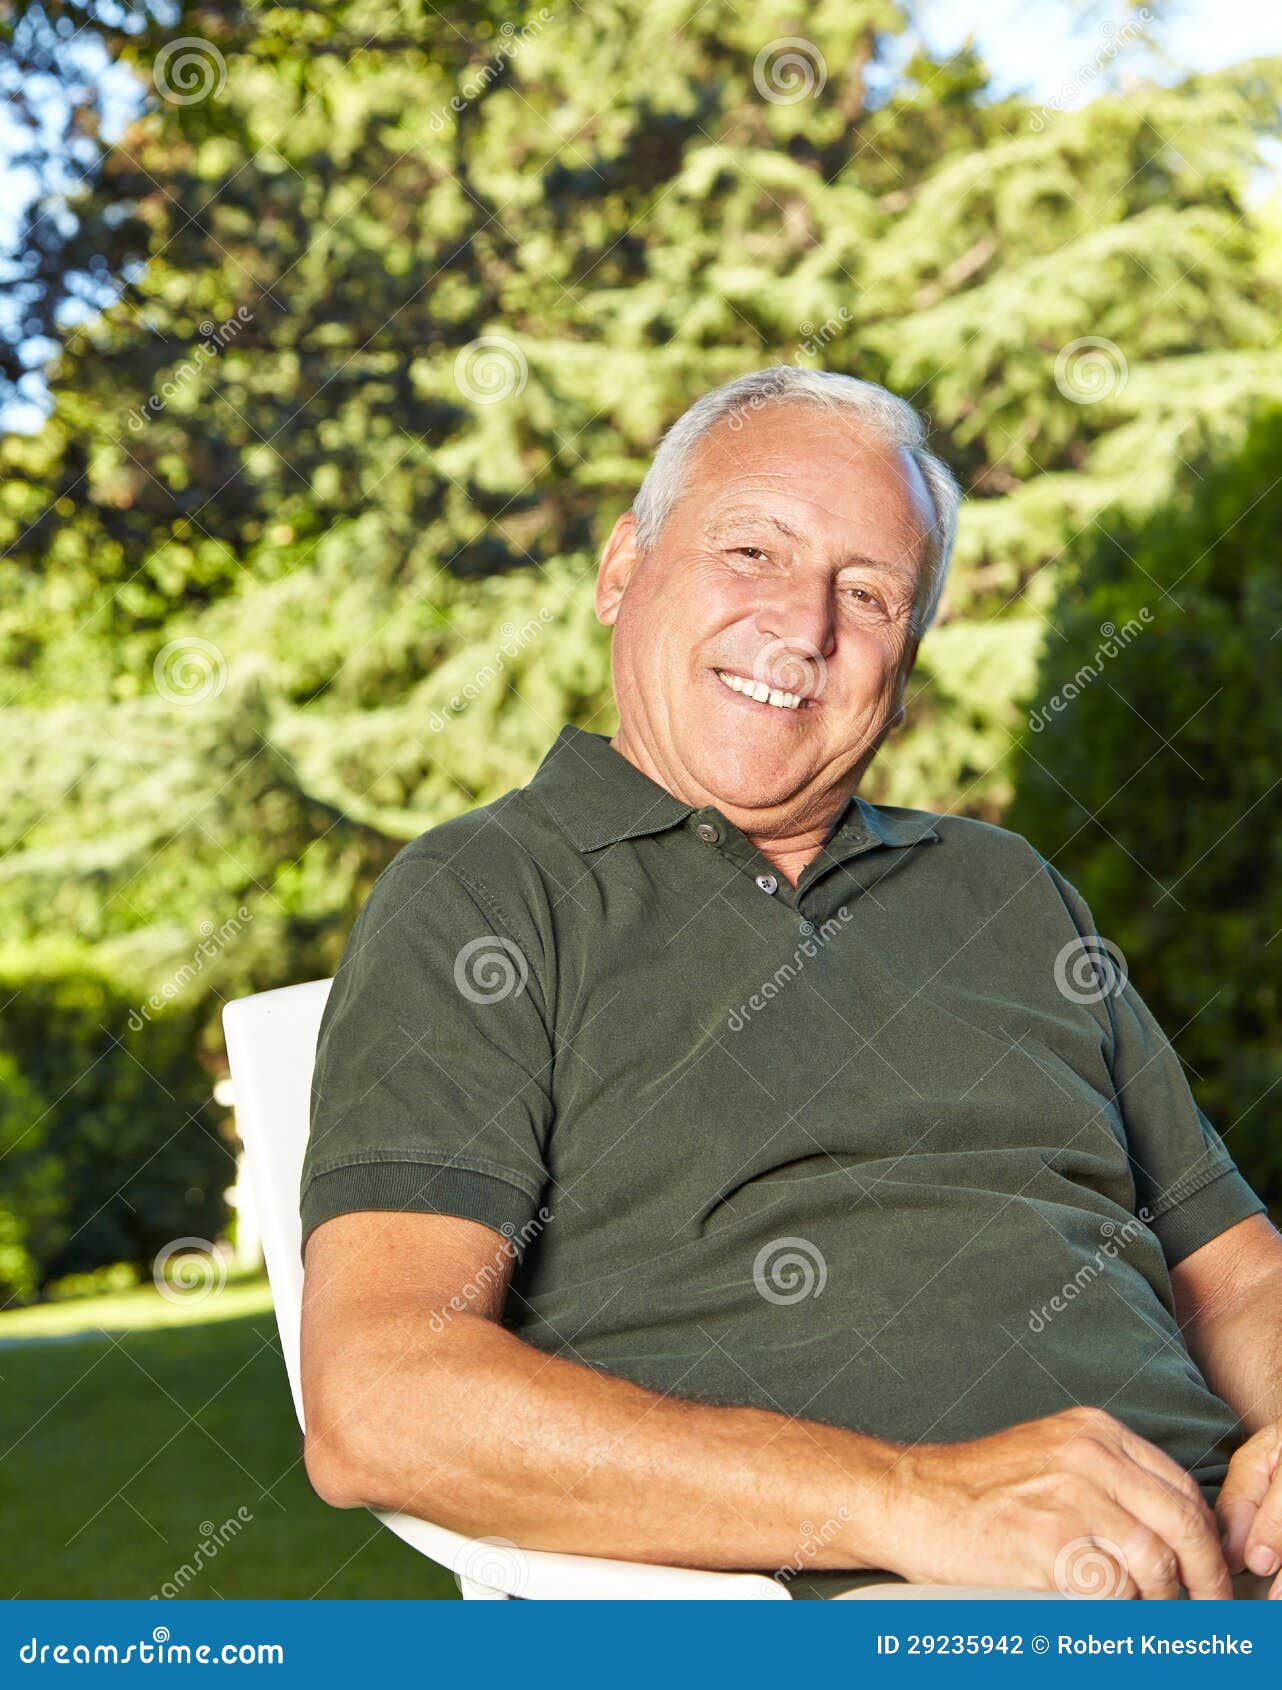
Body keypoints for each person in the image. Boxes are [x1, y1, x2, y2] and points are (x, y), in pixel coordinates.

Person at [298, 366, 1282, 1600]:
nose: (803, 629)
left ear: (904, 659)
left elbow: (1235, 1270)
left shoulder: (1004, 886)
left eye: (867, 593)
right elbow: (383, 1398)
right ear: (621, 570)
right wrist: (916, 1500)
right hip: (874, 1606)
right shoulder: (490, 896)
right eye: (752, 549)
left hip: (1215, 1562)